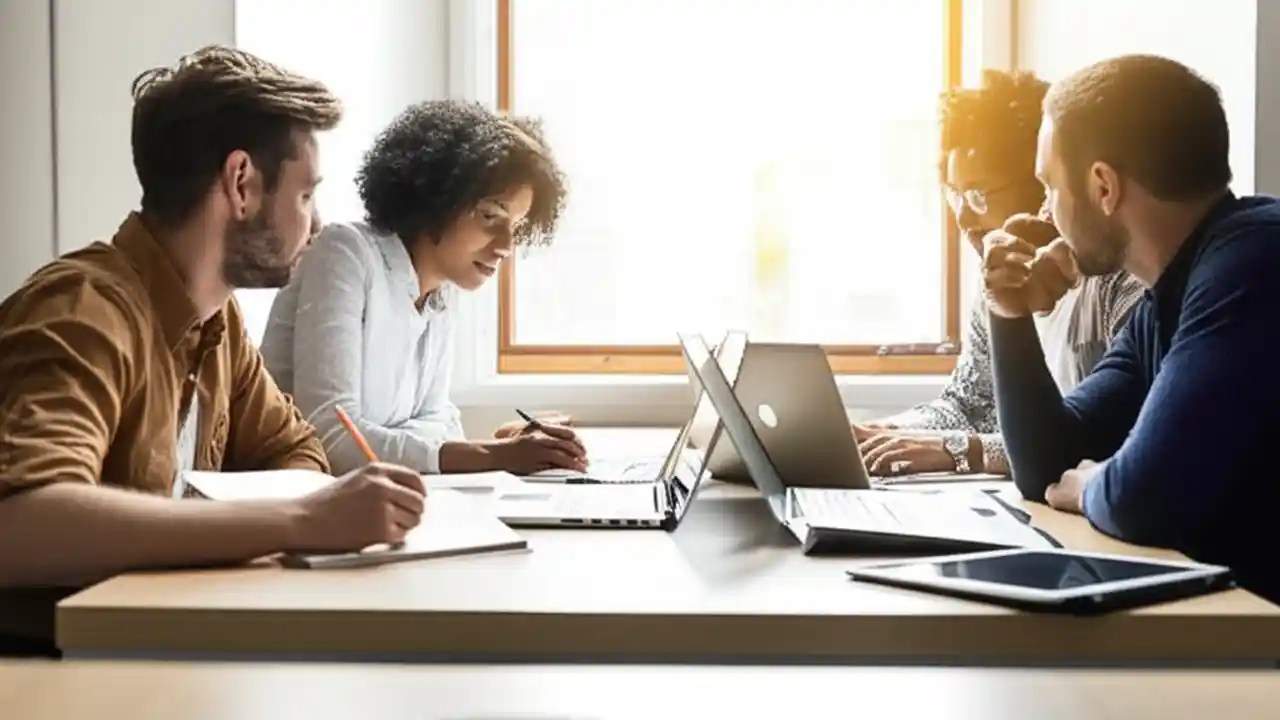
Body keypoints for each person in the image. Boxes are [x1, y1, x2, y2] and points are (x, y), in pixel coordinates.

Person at [0, 47, 427, 656]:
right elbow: (20, 523)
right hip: (44, 675)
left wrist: (245, 523)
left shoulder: (217, 323)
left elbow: (297, 451)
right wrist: (303, 524)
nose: (318, 222)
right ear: (241, 183)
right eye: (306, 195)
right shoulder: (83, 311)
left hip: (154, 654)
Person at [984, 54, 1280, 602]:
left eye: (1049, 185)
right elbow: (1048, 465)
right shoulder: (1168, 297)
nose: (1046, 211)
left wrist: (1093, 483)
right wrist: (1008, 313)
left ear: (1103, 187)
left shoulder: (1254, 261)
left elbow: (1146, 498)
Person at [261, 100, 586, 476]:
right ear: (438, 197)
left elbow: (437, 421)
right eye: (489, 216)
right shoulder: (345, 253)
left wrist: (498, 444)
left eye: (515, 225)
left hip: (369, 506)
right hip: (290, 509)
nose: (505, 244)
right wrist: (494, 455)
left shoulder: (442, 292)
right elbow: (330, 439)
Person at [854, 70, 1142, 477]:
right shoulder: (996, 277)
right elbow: (968, 404)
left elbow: (1111, 440)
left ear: (1042, 181)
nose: (964, 217)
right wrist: (882, 432)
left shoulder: (1120, 281)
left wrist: (961, 450)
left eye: (977, 194)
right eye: (954, 194)